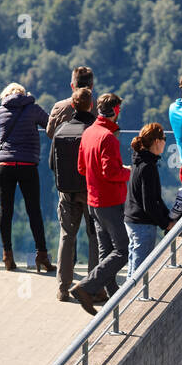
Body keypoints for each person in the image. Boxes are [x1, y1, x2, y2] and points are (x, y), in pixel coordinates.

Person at [70, 93, 131, 315]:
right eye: (119, 110)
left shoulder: (88, 133)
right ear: (115, 111)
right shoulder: (108, 137)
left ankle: (112, 298)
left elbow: (81, 168)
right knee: (123, 250)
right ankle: (85, 287)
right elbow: (110, 172)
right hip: (111, 201)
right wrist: (127, 172)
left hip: (93, 201)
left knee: (106, 251)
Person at [0, 82, 55, 272]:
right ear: (23, 94)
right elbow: (49, 124)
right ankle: (42, 255)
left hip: (4, 165)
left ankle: (7, 255)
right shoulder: (33, 108)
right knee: (33, 210)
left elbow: (1, 133)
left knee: (6, 210)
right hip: (27, 164)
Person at [49, 86, 103, 301]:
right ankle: (93, 288)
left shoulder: (61, 130)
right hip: (90, 192)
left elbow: (53, 164)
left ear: (72, 106)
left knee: (67, 237)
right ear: (92, 105)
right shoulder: (94, 131)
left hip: (66, 193)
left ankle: (62, 289)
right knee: (94, 238)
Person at [124, 123, 172, 278]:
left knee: (133, 264)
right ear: (157, 141)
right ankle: (133, 300)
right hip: (142, 223)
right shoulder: (148, 166)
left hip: (132, 219)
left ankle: (127, 298)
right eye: (164, 138)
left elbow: (155, 198)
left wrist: (168, 217)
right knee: (140, 271)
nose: (165, 142)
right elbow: (150, 204)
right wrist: (166, 223)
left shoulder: (139, 160)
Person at [46, 65, 94, 138]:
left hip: (64, 149)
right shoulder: (101, 108)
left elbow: (50, 133)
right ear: (92, 86)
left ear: (72, 86)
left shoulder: (59, 107)